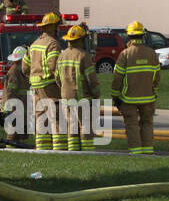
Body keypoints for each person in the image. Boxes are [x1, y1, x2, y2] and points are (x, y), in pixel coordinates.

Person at [110, 20, 161, 154]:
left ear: (129, 36)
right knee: (147, 124)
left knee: (132, 126)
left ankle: (136, 153)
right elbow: (157, 77)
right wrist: (154, 92)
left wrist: (115, 96)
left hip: (128, 99)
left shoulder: (125, 54)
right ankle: (148, 152)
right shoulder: (152, 54)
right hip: (148, 97)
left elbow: (117, 78)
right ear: (142, 35)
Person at [22, 12, 63, 151]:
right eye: (57, 26)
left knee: (40, 118)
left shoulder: (34, 44)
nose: (58, 29)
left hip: (35, 86)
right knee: (56, 117)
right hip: (49, 85)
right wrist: (61, 83)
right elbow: (54, 67)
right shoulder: (53, 44)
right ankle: (59, 148)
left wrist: (32, 78)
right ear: (52, 27)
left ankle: (42, 148)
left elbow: (24, 67)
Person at [57, 26, 100, 151]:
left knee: (72, 124)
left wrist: (64, 90)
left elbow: (57, 78)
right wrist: (96, 94)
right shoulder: (84, 56)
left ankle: (73, 150)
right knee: (85, 125)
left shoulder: (62, 56)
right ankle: (87, 151)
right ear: (80, 40)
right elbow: (91, 79)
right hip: (82, 97)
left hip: (66, 97)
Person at [3, 46, 29, 143]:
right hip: (15, 107)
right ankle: (10, 148)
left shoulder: (22, 71)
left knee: (20, 133)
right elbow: (11, 91)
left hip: (21, 107)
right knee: (12, 132)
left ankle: (18, 148)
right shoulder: (14, 71)